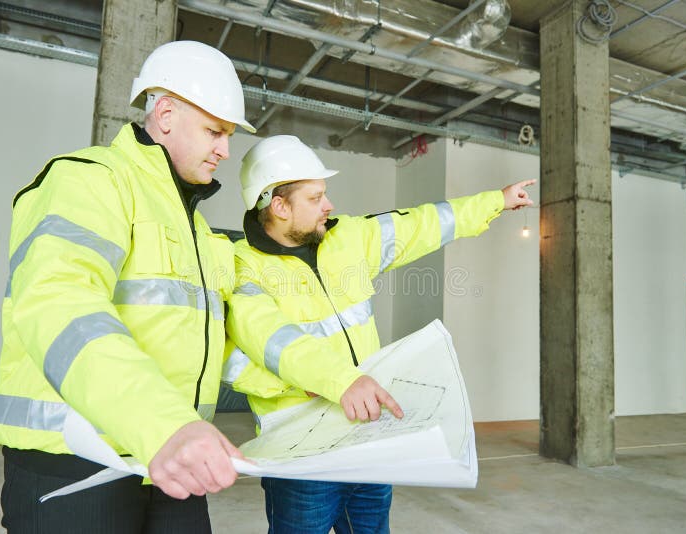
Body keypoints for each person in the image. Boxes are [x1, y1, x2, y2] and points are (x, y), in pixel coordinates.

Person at [0, 40, 256, 533]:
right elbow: (60, 304)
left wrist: (322, 389)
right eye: (215, 131)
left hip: (166, 462)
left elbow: (214, 344)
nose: (225, 150)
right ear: (167, 115)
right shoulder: (90, 180)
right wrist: (164, 424)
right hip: (75, 463)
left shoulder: (197, 231)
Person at [223, 135, 535, 534]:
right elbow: (267, 335)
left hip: (367, 437)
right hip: (300, 455)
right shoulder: (241, 267)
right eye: (315, 198)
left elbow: (422, 224)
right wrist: (334, 382)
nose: (329, 205)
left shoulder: (349, 238)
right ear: (280, 206)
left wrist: (496, 201)